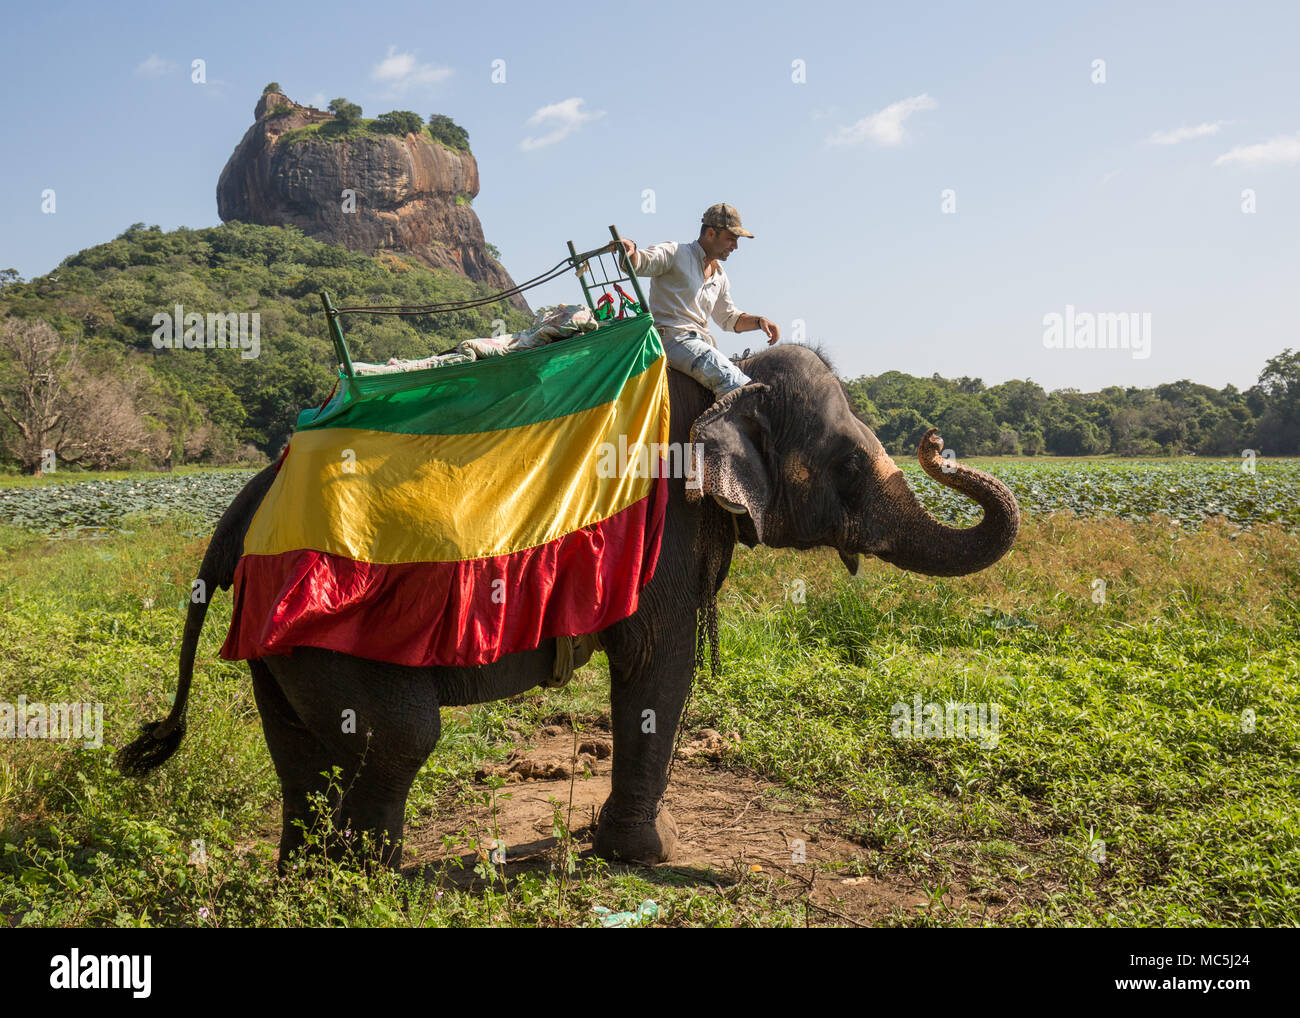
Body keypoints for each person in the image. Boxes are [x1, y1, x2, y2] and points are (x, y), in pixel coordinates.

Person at [615, 203, 779, 513]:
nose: (735, 246)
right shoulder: (675, 253)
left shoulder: (719, 275)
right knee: (737, 386)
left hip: (701, 343)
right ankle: (722, 474)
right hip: (670, 339)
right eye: (731, 238)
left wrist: (758, 321)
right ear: (710, 232)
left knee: (735, 379)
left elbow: (728, 318)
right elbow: (640, 263)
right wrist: (630, 250)